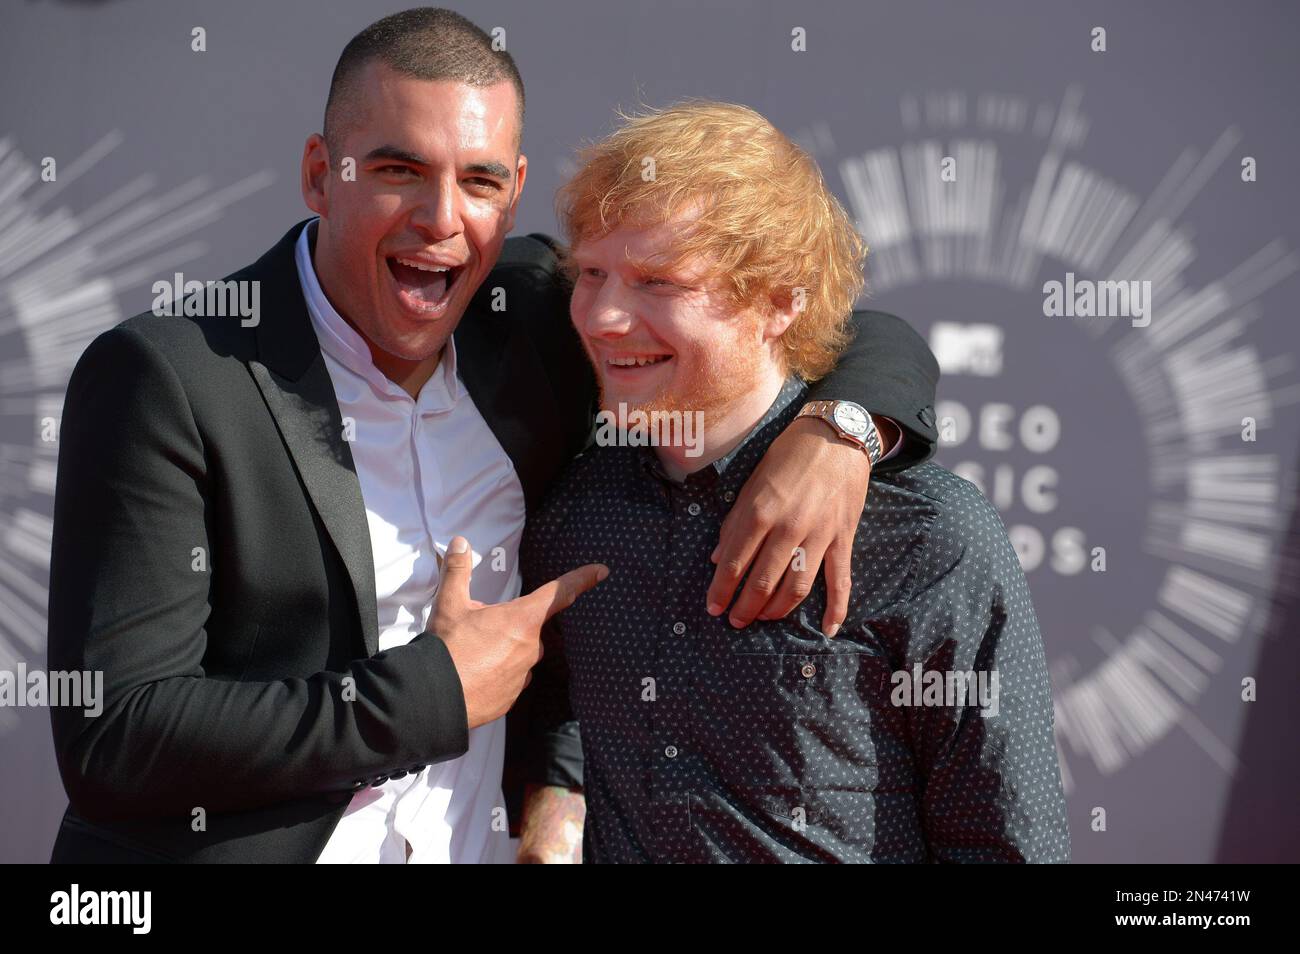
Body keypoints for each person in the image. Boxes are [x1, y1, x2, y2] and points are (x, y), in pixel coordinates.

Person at [46, 9, 940, 864]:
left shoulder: (539, 320)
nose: (440, 219)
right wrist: (429, 696)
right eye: (398, 170)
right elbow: (116, 736)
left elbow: (833, 324)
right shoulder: (168, 377)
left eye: (477, 180)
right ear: (323, 173)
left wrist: (837, 435)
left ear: (512, 193)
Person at [518, 101, 1069, 863]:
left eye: (659, 282)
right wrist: (553, 816)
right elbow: (553, 714)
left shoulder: (929, 534)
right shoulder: (573, 516)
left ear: (780, 301)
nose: (605, 316)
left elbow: (1006, 840)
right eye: (593, 273)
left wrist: (841, 429)